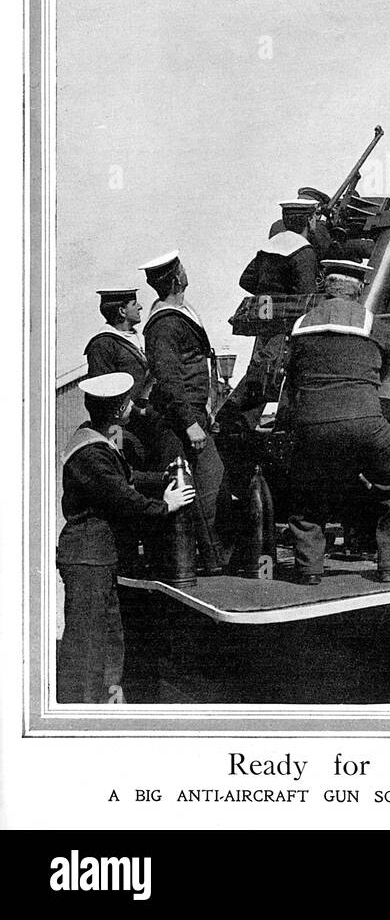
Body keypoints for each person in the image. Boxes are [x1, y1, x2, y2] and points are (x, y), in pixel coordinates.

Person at [56, 372, 194, 703]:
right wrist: (166, 505)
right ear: (118, 411)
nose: (132, 406)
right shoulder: (91, 452)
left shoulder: (91, 438)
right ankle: (81, 710)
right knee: (88, 641)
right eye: (128, 402)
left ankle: (101, 697)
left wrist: (162, 477)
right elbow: (121, 496)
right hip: (88, 553)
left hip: (96, 554)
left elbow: (128, 476)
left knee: (103, 632)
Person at [286, 260, 390, 586]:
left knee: (307, 494)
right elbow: (383, 364)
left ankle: (309, 569)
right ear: (359, 289)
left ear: (326, 287)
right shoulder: (370, 322)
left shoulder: (301, 325)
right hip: (364, 423)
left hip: (312, 426)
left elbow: (292, 377)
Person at [141, 250, 227, 573]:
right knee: (191, 490)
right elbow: (168, 375)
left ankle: (214, 562)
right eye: (182, 267)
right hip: (178, 422)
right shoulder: (163, 324)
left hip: (192, 416)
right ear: (176, 277)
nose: (186, 270)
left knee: (210, 487)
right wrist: (190, 423)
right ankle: (186, 566)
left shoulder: (180, 313)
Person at [84, 286, 177, 469]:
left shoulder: (139, 338)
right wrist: (116, 441)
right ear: (122, 311)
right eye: (135, 304)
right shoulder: (103, 344)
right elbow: (103, 399)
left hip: (146, 426)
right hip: (122, 429)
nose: (141, 307)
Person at [244, 200, 320, 294]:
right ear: (309, 219)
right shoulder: (304, 250)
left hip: (263, 307)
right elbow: (308, 292)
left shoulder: (269, 246)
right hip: (289, 308)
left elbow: (246, 280)